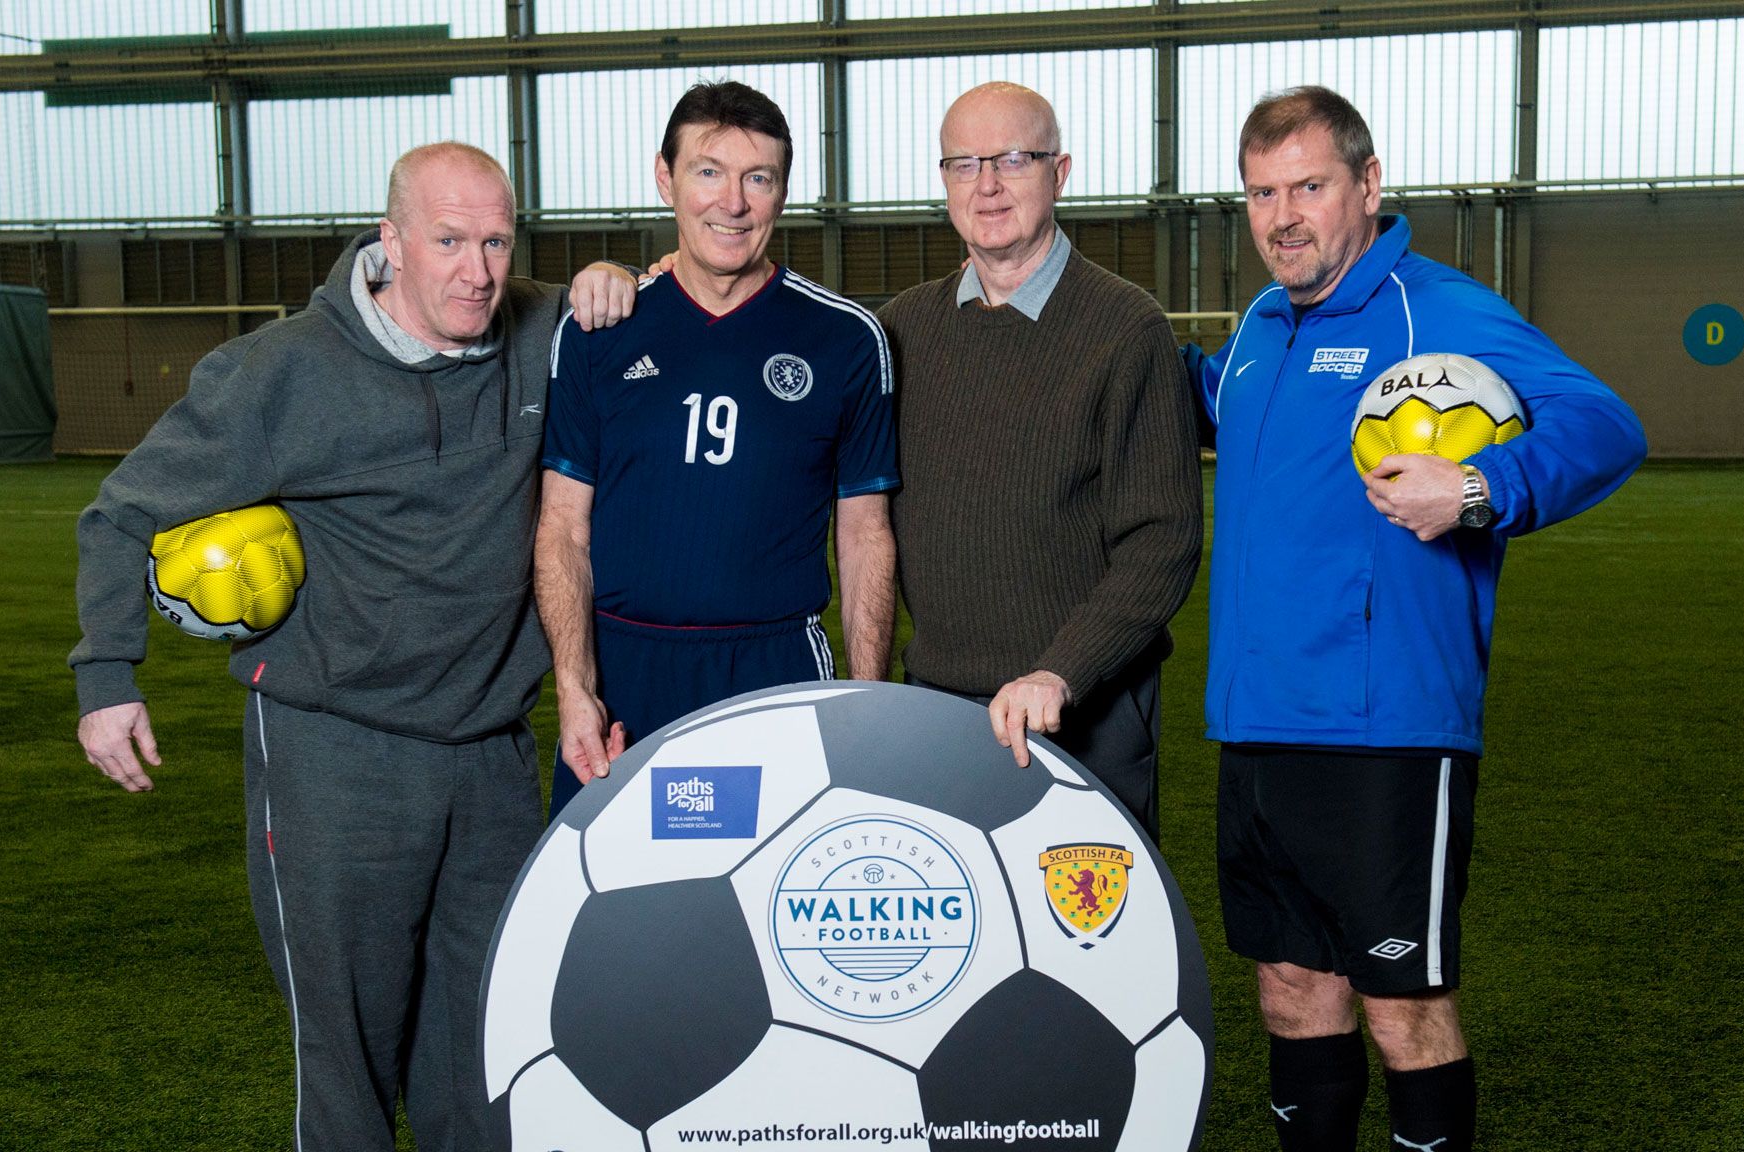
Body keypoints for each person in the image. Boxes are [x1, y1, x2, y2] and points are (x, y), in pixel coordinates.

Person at [70, 142, 642, 1151]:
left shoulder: (539, 333)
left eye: (499, 241)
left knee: (486, 1046)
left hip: (494, 755)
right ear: (390, 242)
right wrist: (108, 677)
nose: (479, 272)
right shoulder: (279, 372)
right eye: (450, 241)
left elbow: (647, 313)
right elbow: (121, 517)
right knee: (347, 1056)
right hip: (337, 753)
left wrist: (617, 282)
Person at [1187, 87, 1647, 1151]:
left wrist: (1477, 490)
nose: (1281, 215)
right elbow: (1208, 404)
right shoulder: (1261, 325)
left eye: (1307, 186)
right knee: (1290, 987)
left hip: (1383, 726)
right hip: (1255, 719)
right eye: (1261, 192)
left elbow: (1605, 424)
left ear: (1366, 185)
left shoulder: (1432, 308)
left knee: (1403, 1006)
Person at [535, 81, 898, 810]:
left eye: (757, 178)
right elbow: (562, 528)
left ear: (782, 194)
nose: (731, 202)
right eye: (708, 171)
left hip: (776, 671)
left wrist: (868, 703)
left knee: (768, 915)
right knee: (609, 914)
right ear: (665, 178)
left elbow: (865, 535)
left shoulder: (847, 339)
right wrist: (574, 690)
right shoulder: (597, 331)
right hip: (625, 678)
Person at [875, 82, 1201, 841]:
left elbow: (1163, 539)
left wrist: (1062, 671)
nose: (987, 184)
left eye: (1013, 159)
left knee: (1095, 948)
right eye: (964, 164)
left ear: (1060, 172)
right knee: (959, 946)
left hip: (1083, 709)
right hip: (940, 709)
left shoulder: (1126, 329)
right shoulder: (900, 330)